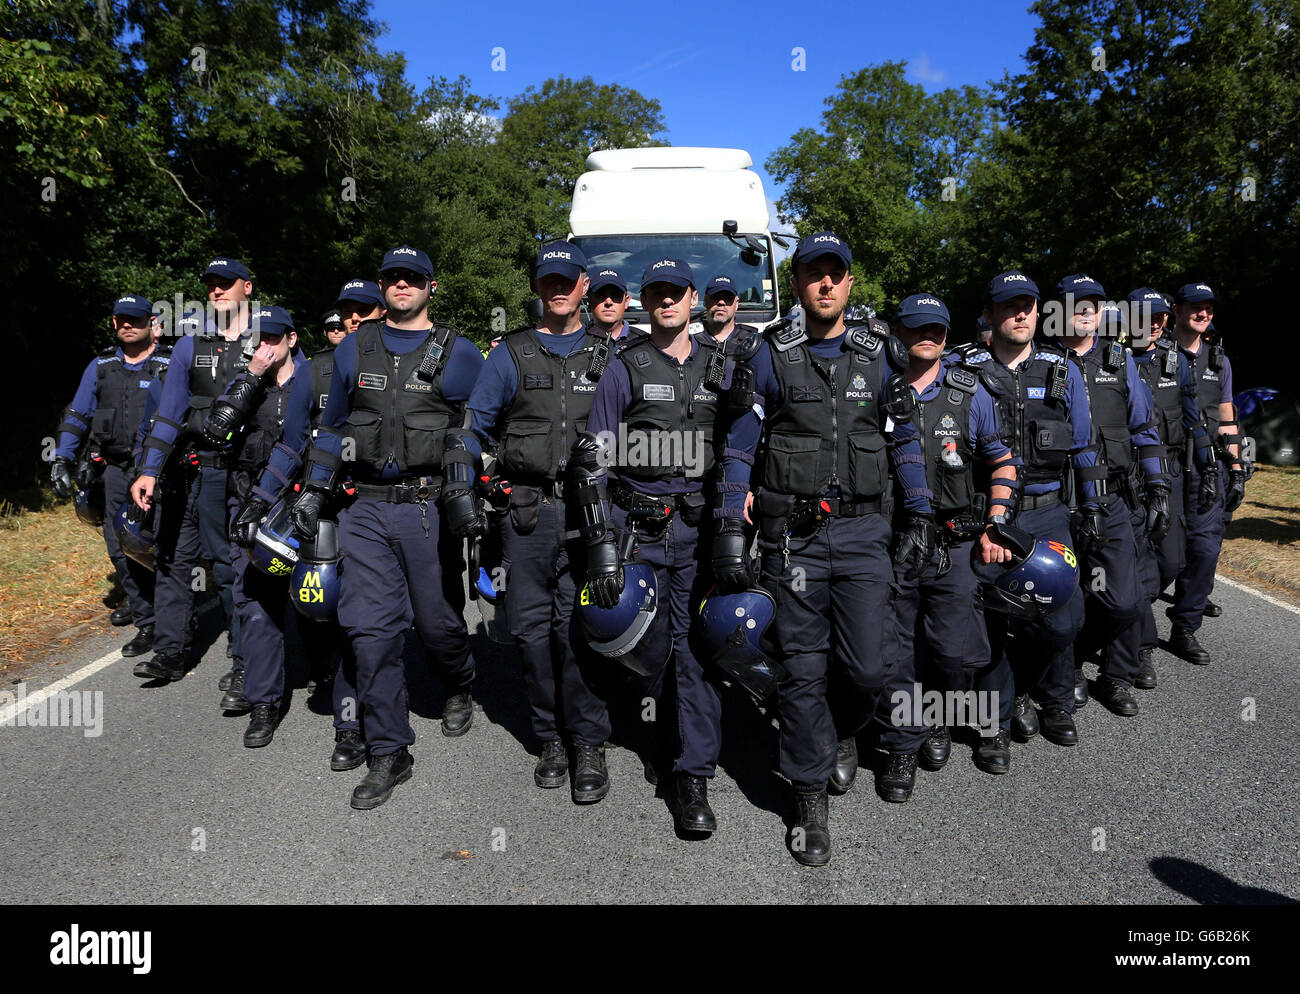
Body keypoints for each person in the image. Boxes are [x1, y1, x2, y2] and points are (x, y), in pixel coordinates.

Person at [716, 232, 935, 866]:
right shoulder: (769, 355)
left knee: (870, 663)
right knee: (803, 667)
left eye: (836, 274)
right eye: (814, 273)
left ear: (849, 282)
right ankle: (809, 797)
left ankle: (851, 730)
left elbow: (903, 444)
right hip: (795, 540)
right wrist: (734, 517)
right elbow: (739, 443)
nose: (826, 284)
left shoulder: (879, 356)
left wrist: (919, 515)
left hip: (866, 534)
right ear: (801, 282)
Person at [288, 245, 484, 810]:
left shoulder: (460, 352)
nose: (402, 286)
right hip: (365, 507)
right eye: (393, 278)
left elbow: (478, 427)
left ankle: (458, 680)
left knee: (438, 623)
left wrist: (466, 482)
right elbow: (331, 429)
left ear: (431, 287)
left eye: (413, 278)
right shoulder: (355, 348)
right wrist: (313, 490)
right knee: (369, 631)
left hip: (427, 506)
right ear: (381, 286)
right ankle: (388, 749)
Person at [449, 242, 615, 803]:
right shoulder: (511, 354)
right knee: (529, 632)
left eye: (568, 280)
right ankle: (548, 737)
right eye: (548, 280)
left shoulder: (611, 353)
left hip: (591, 515)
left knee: (583, 629)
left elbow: (642, 427)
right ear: (538, 287)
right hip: (526, 515)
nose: (559, 289)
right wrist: (460, 483)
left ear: (584, 285)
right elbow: (473, 427)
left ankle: (587, 740)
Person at [585, 256, 736, 830]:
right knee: (640, 649)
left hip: (699, 532)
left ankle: (693, 779)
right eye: (656, 294)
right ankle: (653, 737)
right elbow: (595, 457)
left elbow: (741, 448)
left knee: (696, 650)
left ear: (693, 298)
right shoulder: (625, 367)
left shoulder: (721, 367)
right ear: (644, 303)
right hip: (639, 530)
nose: (667, 302)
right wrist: (600, 539)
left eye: (676, 293)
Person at [870, 293, 1018, 802]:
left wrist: (996, 522)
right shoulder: (876, 387)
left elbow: (1002, 462)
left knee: (956, 652)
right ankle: (903, 743)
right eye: (915, 328)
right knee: (893, 652)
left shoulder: (969, 393)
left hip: (953, 543)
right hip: (890, 544)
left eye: (936, 328)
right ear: (899, 332)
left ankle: (940, 715)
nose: (926, 336)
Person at [949, 271, 1096, 770]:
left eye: (1029, 306)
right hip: (985, 517)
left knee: (1063, 617)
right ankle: (995, 719)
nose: (1021, 314)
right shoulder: (960, 369)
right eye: (1009, 306)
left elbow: (1083, 445)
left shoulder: (1062, 369)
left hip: (1046, 510)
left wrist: (1091, 507)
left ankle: (1052, 696)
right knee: (990, 620)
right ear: (988, 314)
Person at [130, 257, 256, 695]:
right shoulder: (190, 345)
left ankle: (246, 662)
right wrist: (149, 470)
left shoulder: (267, 341)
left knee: (228, 565)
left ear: (247, 288)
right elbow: (169, 413)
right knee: (171, 560)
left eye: (227, 284)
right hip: (185, 471)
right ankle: (171, 651)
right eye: (212, 285)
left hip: (236, 474)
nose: (218, 291)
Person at [1056, 276, 1165, 718]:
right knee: (1064, 596)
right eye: (1076, 305)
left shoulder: (1119, 361)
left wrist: (1158, 487)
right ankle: (1065, 671)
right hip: (1062, 500)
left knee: (1125, 597)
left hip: (1116, 496)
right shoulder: (1044, 361)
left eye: (1093, 306)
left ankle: (1116, 676)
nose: (1085, 313)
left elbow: (1143, 428)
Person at [206, 306, 306, 747]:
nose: (265, 346)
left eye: (273, 338)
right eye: (258, 339)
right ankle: (264, 701)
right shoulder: (246, 381)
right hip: (249, 502)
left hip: (303, 504)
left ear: (292, 339)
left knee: (321, 598)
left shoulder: (315, 379)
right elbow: (216, 429)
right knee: (255, 602)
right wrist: (251, 375)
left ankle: (336, 682)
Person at [53, 294, 170, 658]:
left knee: (163, 549)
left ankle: (174, 621)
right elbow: (78, 415)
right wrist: (62, 458)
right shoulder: (101, 365)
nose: (127, 325)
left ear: (152, 323)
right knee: (122, 546)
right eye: (121, 319)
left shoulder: (169, 364)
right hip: (116, 470)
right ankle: (147, 622)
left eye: (135, 319)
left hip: (163, 472)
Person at [1127, 288, 1213, 686]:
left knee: (1172, 561)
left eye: (1161, 315)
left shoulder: (1175, 361)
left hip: (1173, 472)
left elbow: (1193, 416)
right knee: (1137, 563)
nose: (1157, 321)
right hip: (1130, 476)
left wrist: (1208, 465)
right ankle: (1139, 648)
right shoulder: (1114, 360)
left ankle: (1133, 616)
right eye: (1148, 315)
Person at [1167, 283, 1243, 664]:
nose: (1203, 314)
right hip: (1164, 467)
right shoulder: (1155, 355)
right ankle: (1136, 636)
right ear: (1176, 310)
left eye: (1209, 308)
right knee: (1161, 555)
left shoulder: (1219, 359)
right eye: (1195, 307)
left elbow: (1227, 415)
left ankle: (1185, 626)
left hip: (1208, 469)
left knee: (1206, 549)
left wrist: (1238, 466)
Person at [699, 274, 759, 352]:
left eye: (727, 298)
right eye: (715, 297)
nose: (721, 302)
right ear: (705, 301)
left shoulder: (752, 341)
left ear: (736, 304)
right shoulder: (691, 339)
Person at [586, 267, 644, 346]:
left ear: (626, 301)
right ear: (589, 301)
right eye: (600, 295)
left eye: (616, 295)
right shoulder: (577, 341)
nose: (608, 302)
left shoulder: (643, 341)